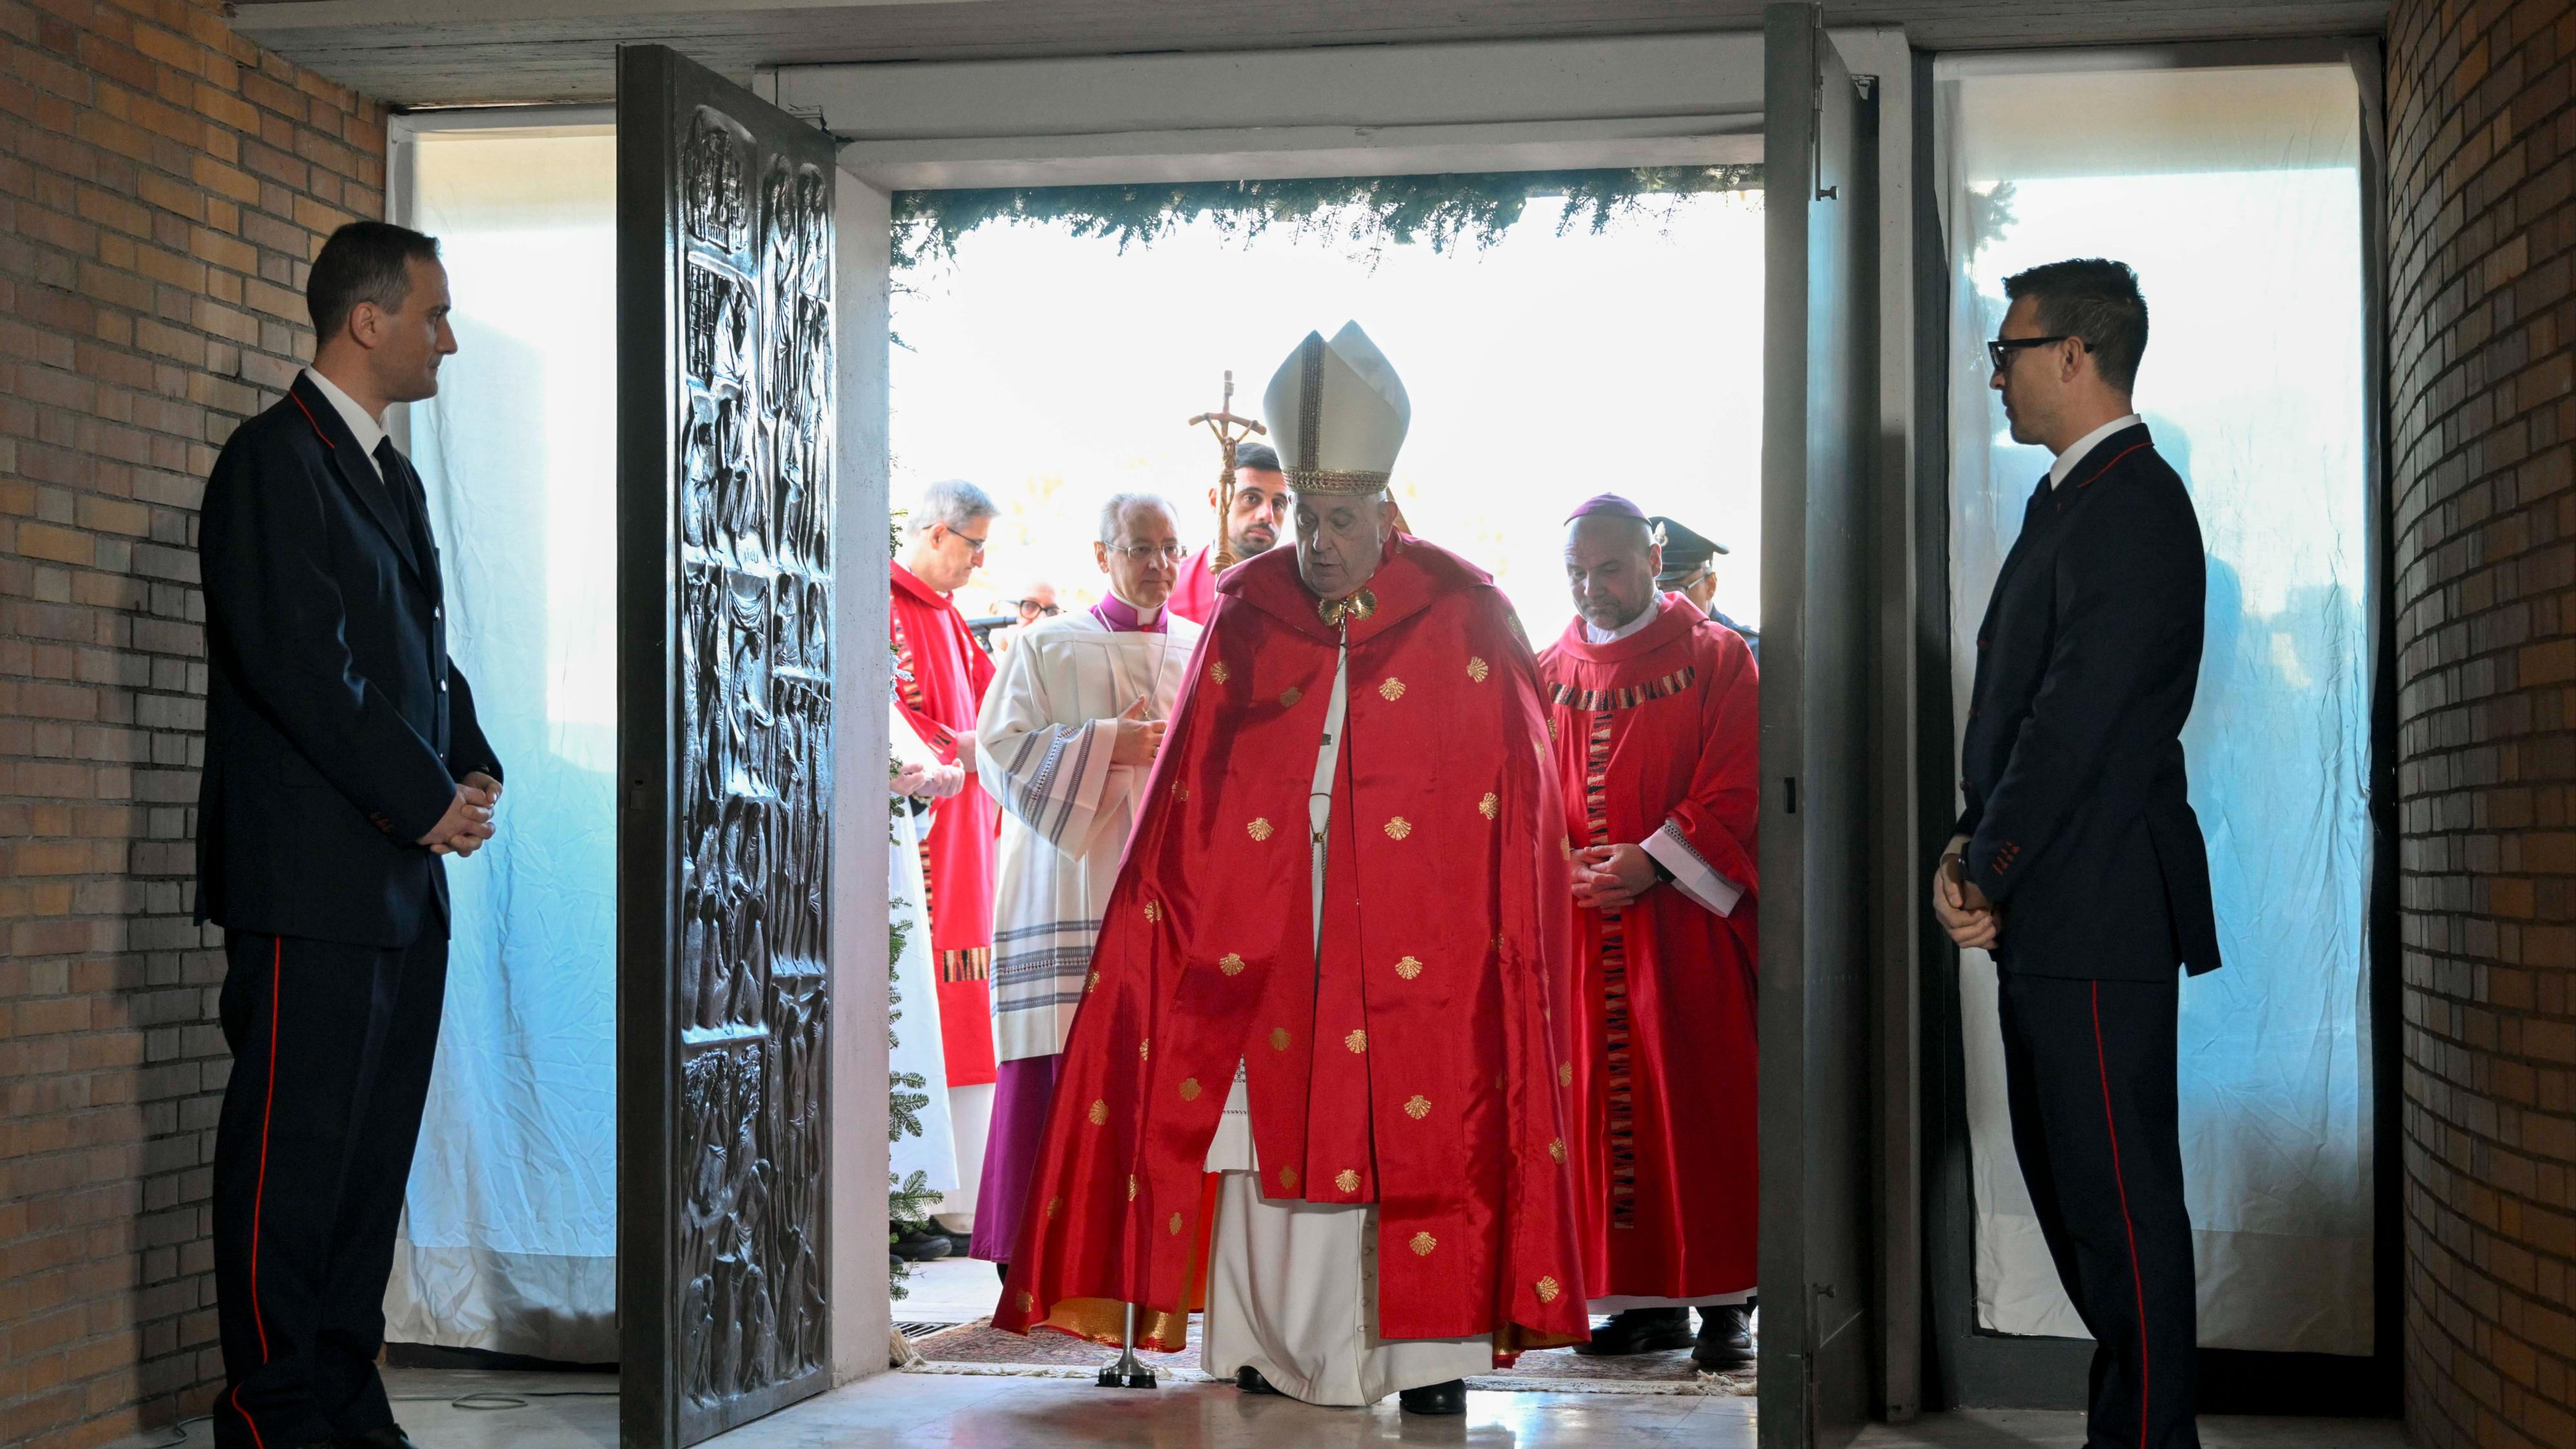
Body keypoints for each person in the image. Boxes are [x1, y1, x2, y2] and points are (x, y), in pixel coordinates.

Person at [994, 323, 1589, 1415]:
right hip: (1267, 925)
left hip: (1426, 946)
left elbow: (1520, 800)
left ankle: (1429, 1354)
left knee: (1423, 1116)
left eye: (1340, 521)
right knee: (1255, 1134)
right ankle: (1263, 1341)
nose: (1317, 543)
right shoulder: (1250, 609)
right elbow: (1191, 790)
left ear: (1388, 516)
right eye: (1306, 519)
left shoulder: (1467, 613)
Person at [196, 220, 504, 1449]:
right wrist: (420, 793)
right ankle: (270, 1413)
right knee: (292, 1162)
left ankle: (337, 1392)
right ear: (364, 320)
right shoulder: (274, 461)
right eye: (433, 313)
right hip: (309, 883)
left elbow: (415, 658)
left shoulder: (388, 471)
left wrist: (469, 763)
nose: (448, 336)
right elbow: (302, 670)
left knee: (368, 1162)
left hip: (395, 882)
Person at [1933, 258, 2221, 1449]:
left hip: (2098, 907)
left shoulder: (2136, 501)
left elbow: (2077, 715)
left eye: (2008, 350)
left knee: (2121, 1211)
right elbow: (2026, 715)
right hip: (2058, 904)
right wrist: (1974, 847)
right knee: (2080, 1204)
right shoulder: (2074, 496)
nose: (1994, 373)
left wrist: (1982, 864)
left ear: (2075, 355)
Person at [1540, 497, 1761, 1370]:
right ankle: (1638, 1303)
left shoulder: (1715, 657)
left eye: (1612, 568)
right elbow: (1518, 797)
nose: (1593, 588)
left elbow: (1737, 781)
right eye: (1577, 572)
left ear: (1652, 556)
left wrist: (1656, 860)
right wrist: (1562, 868)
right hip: (1585, 927)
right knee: (1598, 1111)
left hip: (1684, 928)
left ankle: (1722, 1303)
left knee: (1700, 1104)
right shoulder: (1543, 667)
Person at [969, 493, 1204, 1277]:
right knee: (1060, 1049)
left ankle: (1149, 1256)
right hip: (1070, 878)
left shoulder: (1203, 648)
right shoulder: (1045, 646)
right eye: (1140, 548)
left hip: (1169, 886)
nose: (1158, 566)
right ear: (1101, 554)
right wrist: (1109, 744)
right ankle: (1035, 1250)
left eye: (1170, 549)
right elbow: (997, 752)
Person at [891, 478, 1007, 1244]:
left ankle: (956, 1195)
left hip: (968, 839)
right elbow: (892, 713)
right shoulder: (886, 607)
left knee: (966, 1006)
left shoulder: (948, 616)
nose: (978, 564)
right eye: (973, 546)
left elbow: (994, 702)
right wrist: (956, 749)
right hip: (921, 837)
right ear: (936, 533)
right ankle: (907, 1199)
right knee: (919, 1005)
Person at [1168, 439, 1288, 623]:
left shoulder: (1299, 594)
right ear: (1216, 500)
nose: (1267, 515)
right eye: (1251, 498)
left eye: (1278, 504)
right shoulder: (1170, 586)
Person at [1649, 515, 1758, 661]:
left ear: (1711, 585)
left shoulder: (1747, 652)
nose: (1664, 600)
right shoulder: (1645, 651)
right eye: (1656, 592)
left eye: (1676, 590)